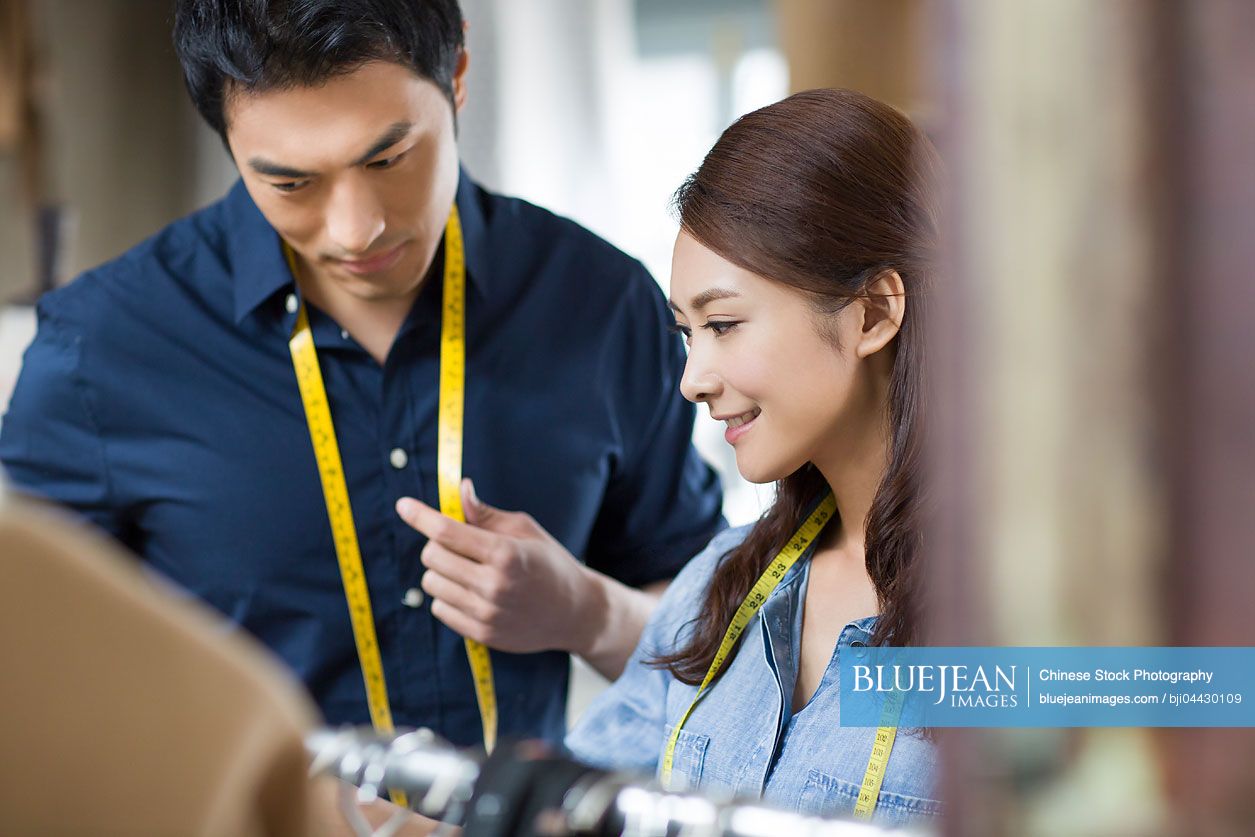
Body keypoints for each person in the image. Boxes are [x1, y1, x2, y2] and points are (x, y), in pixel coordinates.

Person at [0, 0, 724, 752]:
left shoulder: (598, 302)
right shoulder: (98, 348)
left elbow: (720, 640)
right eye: (289, 183)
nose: (356, 229)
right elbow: (35, 689)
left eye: (387, 159)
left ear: (459, 75)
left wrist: (588, 611)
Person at [565, 88, 943, 829]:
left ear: (873, 312)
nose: (692, 378)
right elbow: (553, 811)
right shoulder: (721, 584)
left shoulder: (1035, 603)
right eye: (686, 333)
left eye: (724, 324)